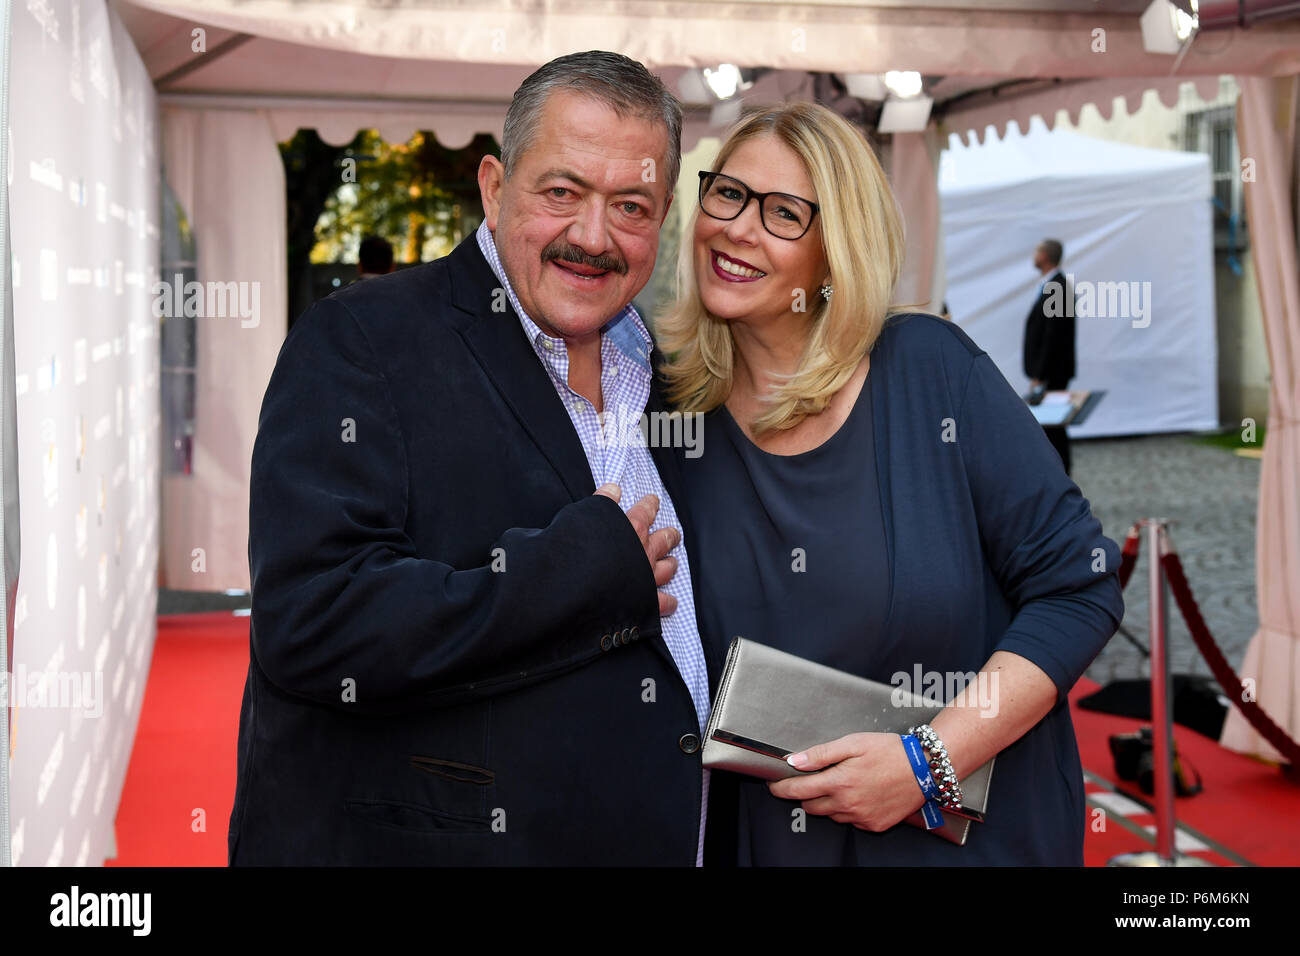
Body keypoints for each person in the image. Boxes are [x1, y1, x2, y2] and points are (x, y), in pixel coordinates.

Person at [229, 51, 716, 865]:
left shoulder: (668, 380)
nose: (592, 238)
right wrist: (581, 569)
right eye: (561, 192)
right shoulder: (362, 340)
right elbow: (312, 622)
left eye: (630, 205)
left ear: (662, 218)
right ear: (494, 187)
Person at [659, 103, 1123, 865]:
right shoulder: (670, 415)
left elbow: (1080, 587)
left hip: (965, 841)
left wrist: (927, 762)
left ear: (836, 250)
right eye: (728, 194)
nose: (738, 227)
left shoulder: (927, 371)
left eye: (784, 214)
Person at [1023, 238, 1077, 473]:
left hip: (1052, 372)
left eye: (1037, 250)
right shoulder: (1052, 285)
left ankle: (1061, 472)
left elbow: (1053, 336)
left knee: (1054, 425)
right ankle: (1057, 472)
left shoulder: (1057, 287)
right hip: (1051, 370)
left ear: (1045, 256)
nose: (1034, 255)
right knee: (1050, 426)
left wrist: (1040, 374)